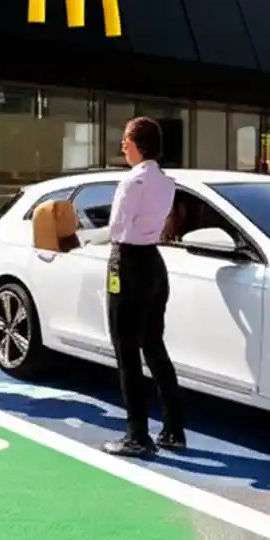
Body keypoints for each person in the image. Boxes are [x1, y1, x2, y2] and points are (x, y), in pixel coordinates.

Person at [88, 116, 186, 456]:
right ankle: (174, 429)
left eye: (125, 141)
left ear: (136, 144)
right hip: (153, 263)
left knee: (126, 351)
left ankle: (137, 435)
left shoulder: (131, 181)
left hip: (127, 262)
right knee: (154, 345)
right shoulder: (167, 182)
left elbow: (116, 228)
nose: (122, 146)